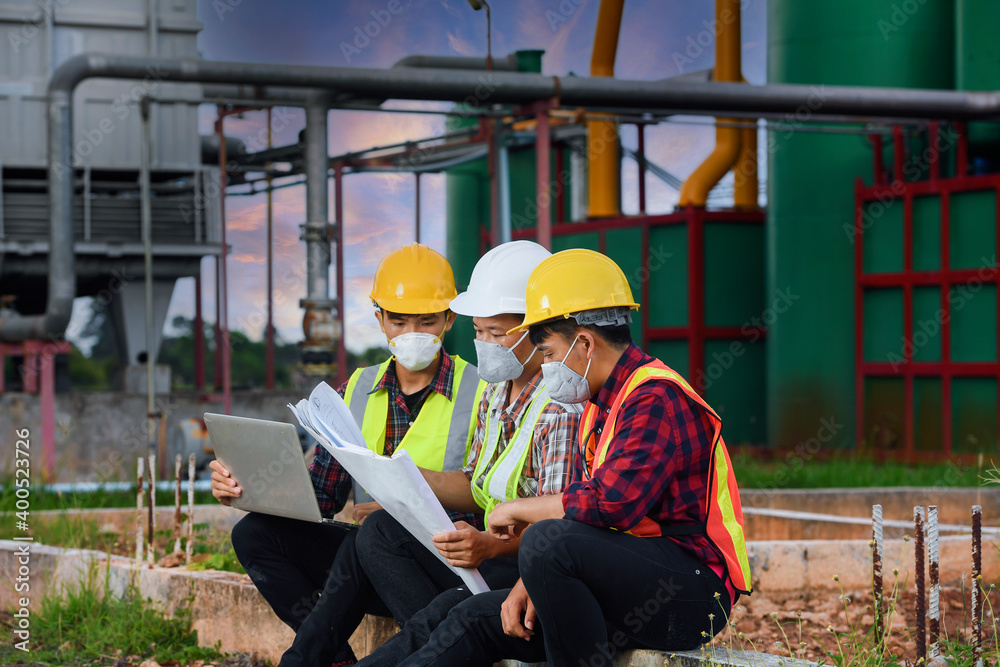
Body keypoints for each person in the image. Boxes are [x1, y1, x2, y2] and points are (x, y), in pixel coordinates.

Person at [356, 248, 753, 667]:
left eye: (546, 353)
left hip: (693, 591)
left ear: (584, 343)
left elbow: (611, 504)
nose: (545, 367)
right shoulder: (600, 404)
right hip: (626, 575)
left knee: (546, 540)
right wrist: (531, 579)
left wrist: (517, 510)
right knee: (469, 617)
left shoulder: (654, 397)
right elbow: (586, 525)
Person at [277, 240, 584, 666]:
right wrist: (401, 484)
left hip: (512, 560)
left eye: (496, 334)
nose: (485, 344)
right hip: (476, 549)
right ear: (380, 319)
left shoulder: (557, 406)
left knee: (443, 613)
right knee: (377, 532)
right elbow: (475, 483)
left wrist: (487, 545)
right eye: (480, 332)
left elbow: (558, 529)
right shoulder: (496, 395)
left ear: (540, 333)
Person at [209, 243, 485, 666]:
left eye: (427, 320)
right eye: (399, 320)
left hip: (445, 571)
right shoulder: (354, 391)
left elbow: (490, 497)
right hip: (366, 565)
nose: (412, 332)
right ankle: (335, 659)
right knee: (254, 534)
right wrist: (247, 487)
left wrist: (399, 510)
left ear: (449, 318)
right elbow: (321, 496)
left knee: (373, 532)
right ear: (380, 320)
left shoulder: (483, 391)